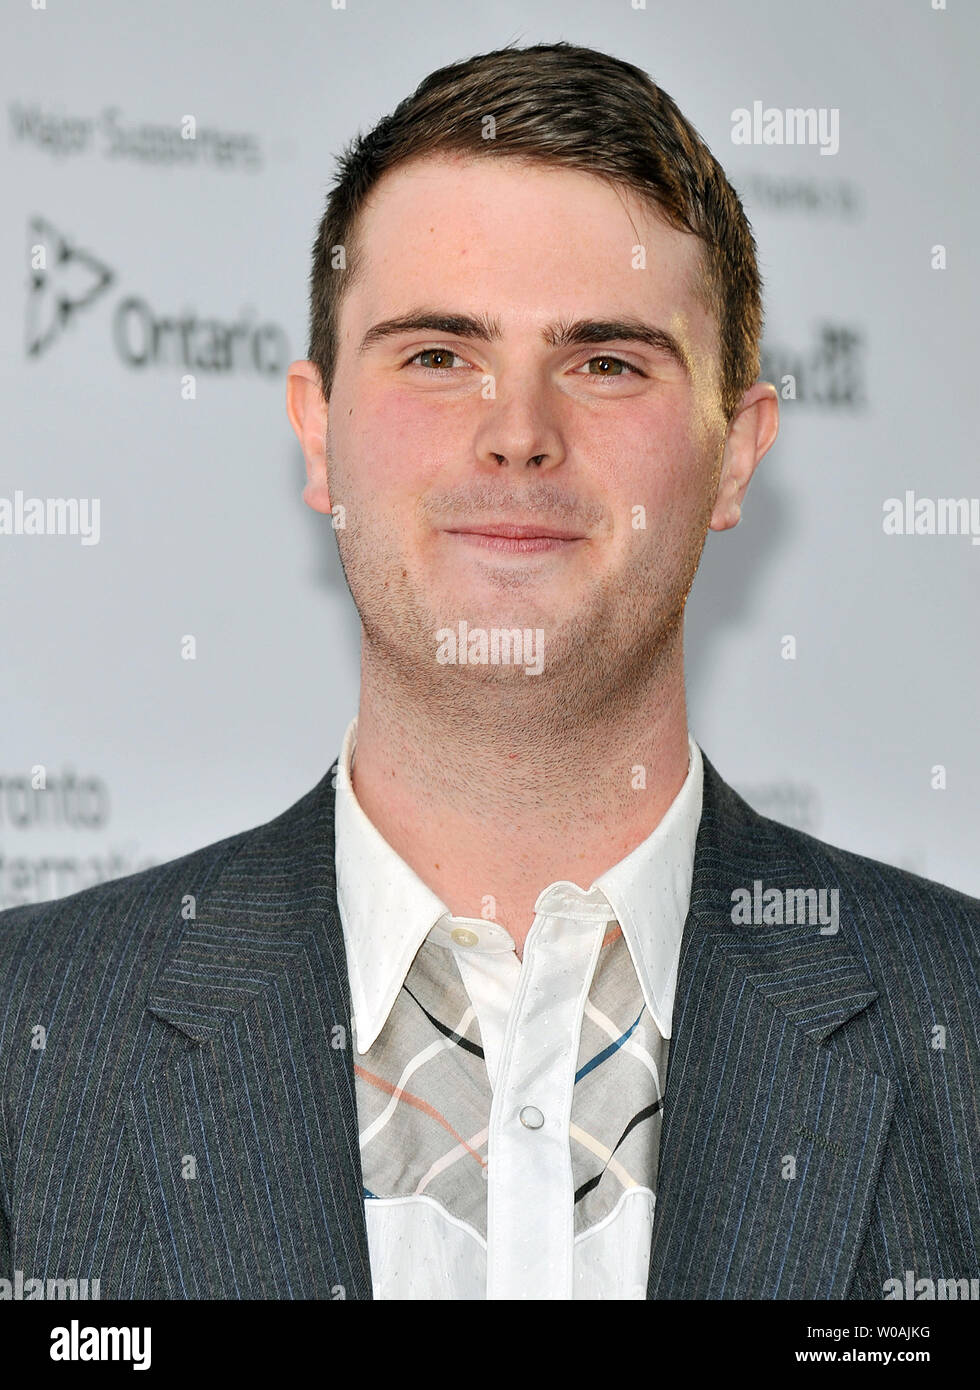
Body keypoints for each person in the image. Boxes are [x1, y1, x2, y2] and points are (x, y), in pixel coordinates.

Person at [0, 42, 976, 1303]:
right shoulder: (31, 1047)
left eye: (606, 361)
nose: (517, 432)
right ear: (318, 432)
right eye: (434, 354)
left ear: (735, 453)